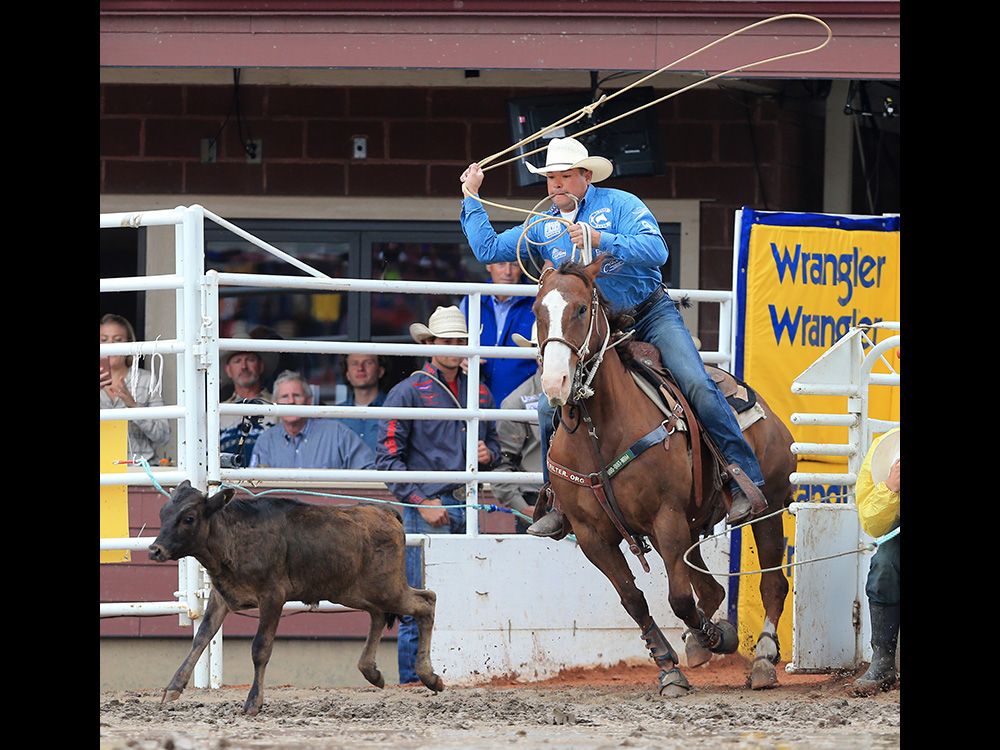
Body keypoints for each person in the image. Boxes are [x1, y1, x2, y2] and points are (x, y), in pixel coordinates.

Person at [459, 136, 769, 535]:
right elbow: (487, 249)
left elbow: (656, 252)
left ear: (586, 176)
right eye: (551, 178)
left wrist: (601, 239)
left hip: (648, 312)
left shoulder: (621, 205)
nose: (556, 186)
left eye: (565, 177)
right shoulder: (544, 225)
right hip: (597, 327)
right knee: (547, 405)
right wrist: (471, 196)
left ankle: (742, 477)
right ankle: (557, 499)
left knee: (695, 382)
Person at [376, 306, 501, 684]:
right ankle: (413, 681)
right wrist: (421, 500)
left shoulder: (478, 389)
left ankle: (444, 676)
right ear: (430, 344)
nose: (455, 347)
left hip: (461, 502)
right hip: (429, 506)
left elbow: (494, 444)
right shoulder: (409, 391)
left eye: (461, 341)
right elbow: (386, 460)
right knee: (417, 601)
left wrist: (489, 454)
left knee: (456, 595)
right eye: (448, 341)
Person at [853, 427, 900, 693]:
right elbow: (872, 523)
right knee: (884, 565)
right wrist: (891, 487)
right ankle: (883, 662)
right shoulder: (885, 447)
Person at [250, 370, 375, 470]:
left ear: (309, 401)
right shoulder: (265, 442)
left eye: (296, 395)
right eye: (284, 396)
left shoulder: (336, 433)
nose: (291, 401)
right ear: (275, 404)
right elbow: (254, 484)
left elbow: (369, 471)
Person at [459, 260, 537, 407]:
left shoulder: (537, 301)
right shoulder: (472, 300)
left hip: (523, 405)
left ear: (522, 268)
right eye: (501, 264)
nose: (507, 272)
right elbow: (456, 345)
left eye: (514, 264)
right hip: (478, 402)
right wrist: (461, 358)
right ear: (488, 265)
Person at [491, 322, 544, 533]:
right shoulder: (516, 403)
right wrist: (523, 508)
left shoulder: (517, 402)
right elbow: (501, 464)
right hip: (538, 500)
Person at [100, 313, 170, 463]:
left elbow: (163, 435)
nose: (110, 346)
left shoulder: (145, 379)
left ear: (129, 344)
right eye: (103, 340)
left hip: (139, 467)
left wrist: (133, 406)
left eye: (117, 340)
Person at [219, 329, 281, 468]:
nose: (244, 366)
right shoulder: (217, 411)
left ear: (261, 366)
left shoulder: (278, 406)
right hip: (226, 484)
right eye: (237, 361)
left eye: (250, 360)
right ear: (228, 370)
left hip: (268, 484)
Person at [335, 353, 387, 454]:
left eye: (368, 363)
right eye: (354, 364)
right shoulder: (335, 414)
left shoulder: (394, 410)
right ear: (347, 374)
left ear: (380, 371)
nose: (360, 368)